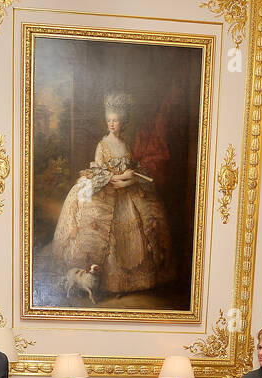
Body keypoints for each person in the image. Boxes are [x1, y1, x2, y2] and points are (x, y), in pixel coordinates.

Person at [50, 92, 174, 300]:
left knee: (138, 233)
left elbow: (131, 169)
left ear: (123, 121)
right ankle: (108, 283)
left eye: (115, 120)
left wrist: (131, 177)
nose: (111, 124)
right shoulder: (102, 145)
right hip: (108, 195)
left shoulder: (126, 146)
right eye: (109, 120)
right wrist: (123, 177)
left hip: (129, 196)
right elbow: (102, 176)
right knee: (108, 238)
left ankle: (129, 283)